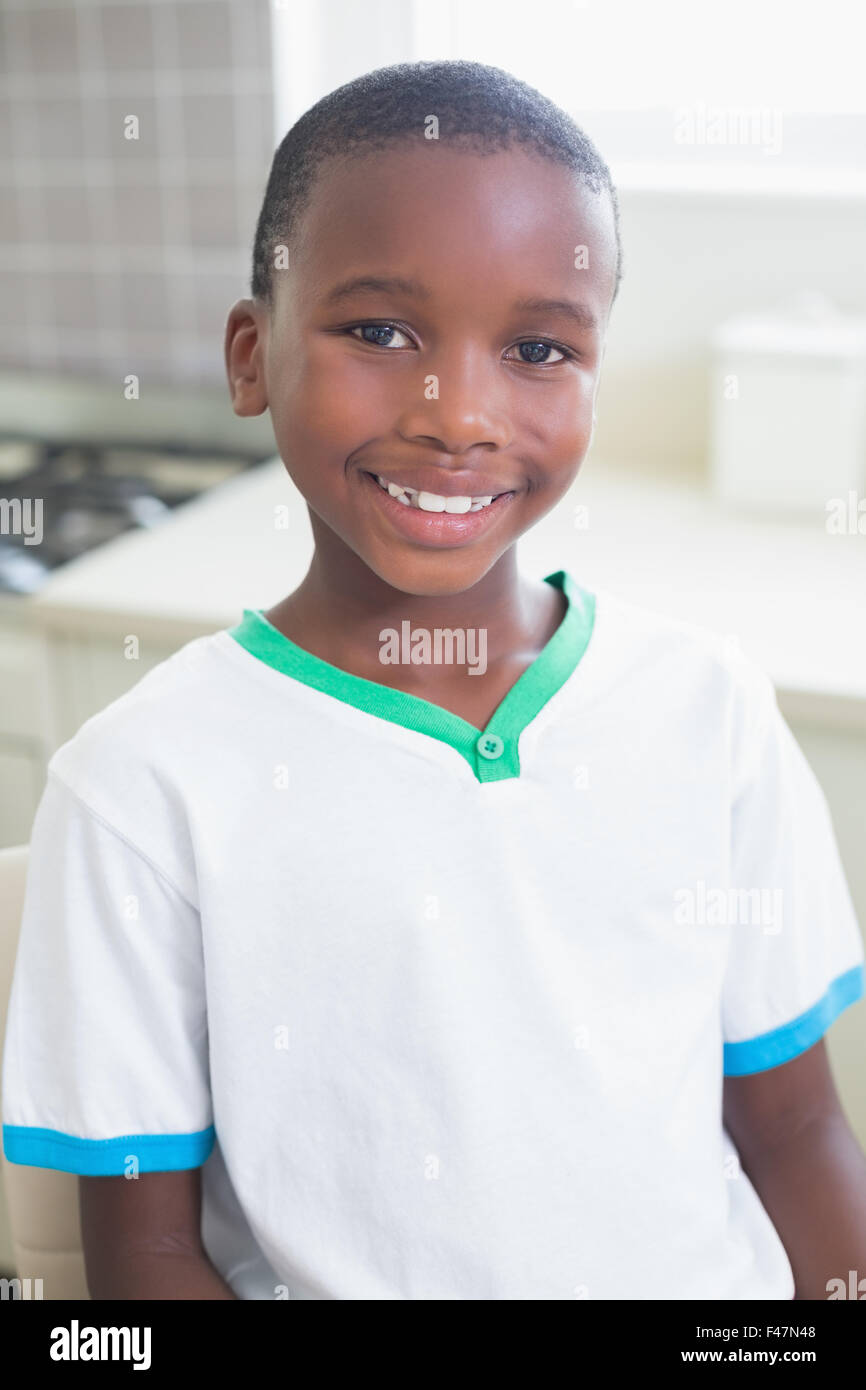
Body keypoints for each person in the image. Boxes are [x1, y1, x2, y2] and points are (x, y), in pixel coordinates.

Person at [3, 59, 865, 1301]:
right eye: (379, 332)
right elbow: (143, 1261)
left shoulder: (707, 711)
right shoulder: (141, 787)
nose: (456, 414)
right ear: (253, 358)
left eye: (534, 347)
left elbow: (793, 1139)